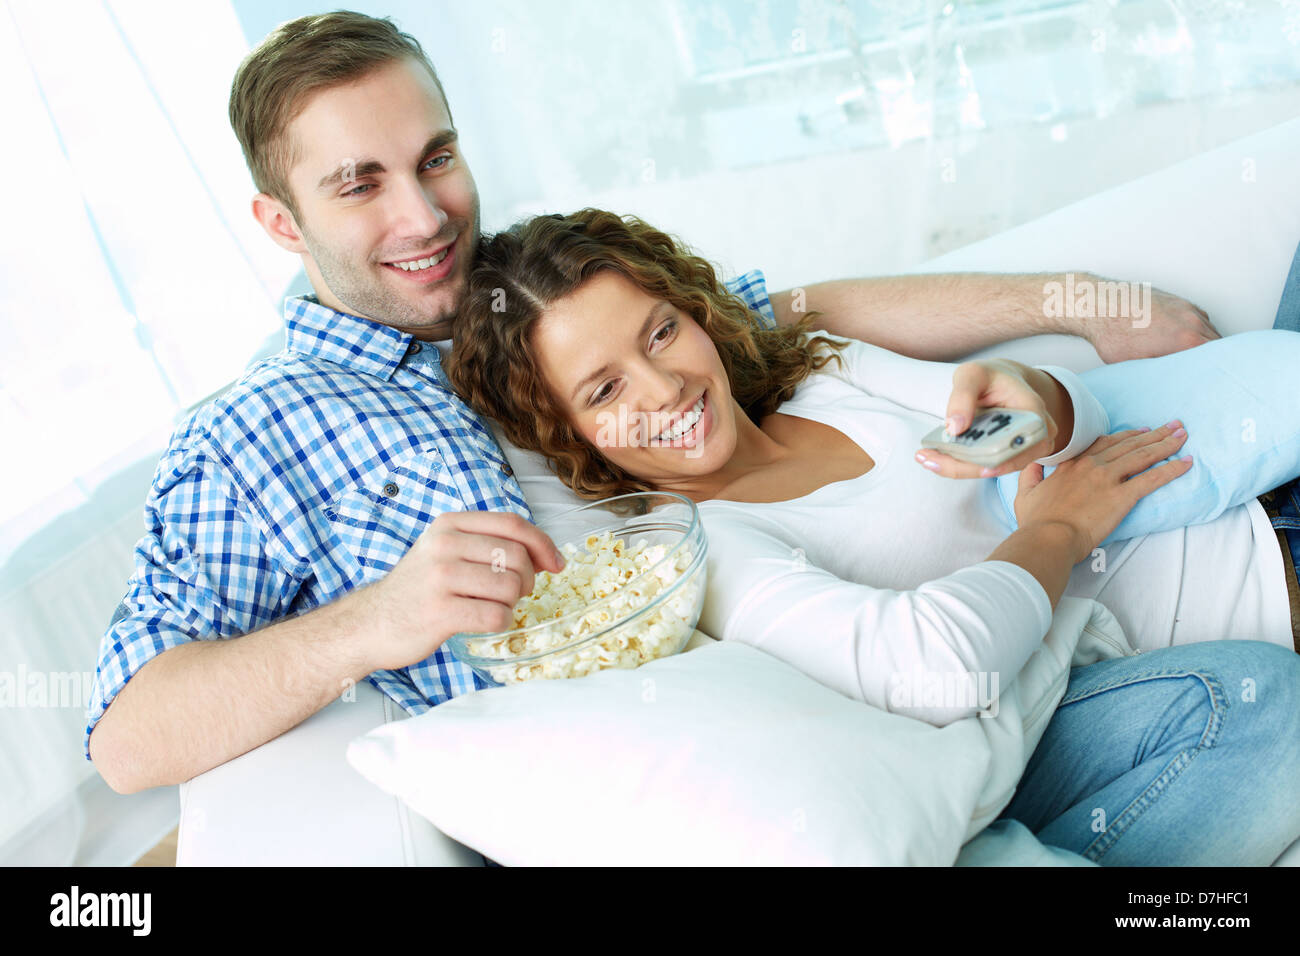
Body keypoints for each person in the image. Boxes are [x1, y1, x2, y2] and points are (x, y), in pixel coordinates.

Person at [85, 10, 1221, 797]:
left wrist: (1079, 303)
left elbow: (780, 311)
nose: (424, 215)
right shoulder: (259, 428)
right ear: (281, 223)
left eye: (434, 158)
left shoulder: (522, 288)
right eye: (358, 183)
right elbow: (130, 737)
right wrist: (380, 618)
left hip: (911, 654)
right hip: (793, 735)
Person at [444, 208, 1300, 864]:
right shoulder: (716, 550)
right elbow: (931, 668)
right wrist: (1062, 530)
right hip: (1250, 610)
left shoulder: (826, 372)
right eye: (604, 391)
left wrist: (1043, 399)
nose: (664, 387)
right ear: (566, 435)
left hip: (1253, 485)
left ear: (695, 311)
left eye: (661, 332)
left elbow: (1072, 436)